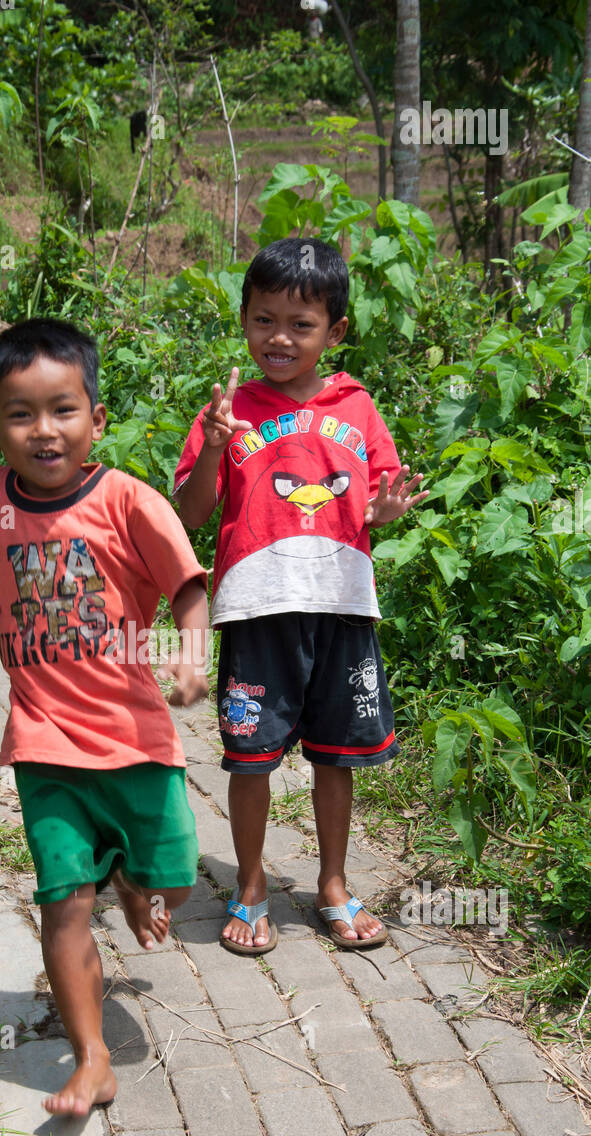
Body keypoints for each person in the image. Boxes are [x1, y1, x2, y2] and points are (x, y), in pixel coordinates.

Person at [0, 318, 209, 1115]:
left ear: (96, 419)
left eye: (63, 410)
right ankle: (92, 1057)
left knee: (173, 884)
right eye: (20, 414)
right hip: (43, 745)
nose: (44, 431)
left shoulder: (128, 504)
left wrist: (189, 655)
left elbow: (187, 588)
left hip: (136, 741)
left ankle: (132, 878)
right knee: (62, 904)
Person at [174, 236, 428, 955]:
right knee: (249, 756)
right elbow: (193, 513)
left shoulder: (356, 407)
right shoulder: (228, 409)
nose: (278, 338)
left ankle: (333, 886)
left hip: (342, 605)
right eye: (263, 320)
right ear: (245, 318)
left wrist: (384, 514)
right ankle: (249, 885)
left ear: (334, 332)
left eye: (300, 324)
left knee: (335, 757)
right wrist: (218, 447)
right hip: (256, 609)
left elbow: (379, 496)